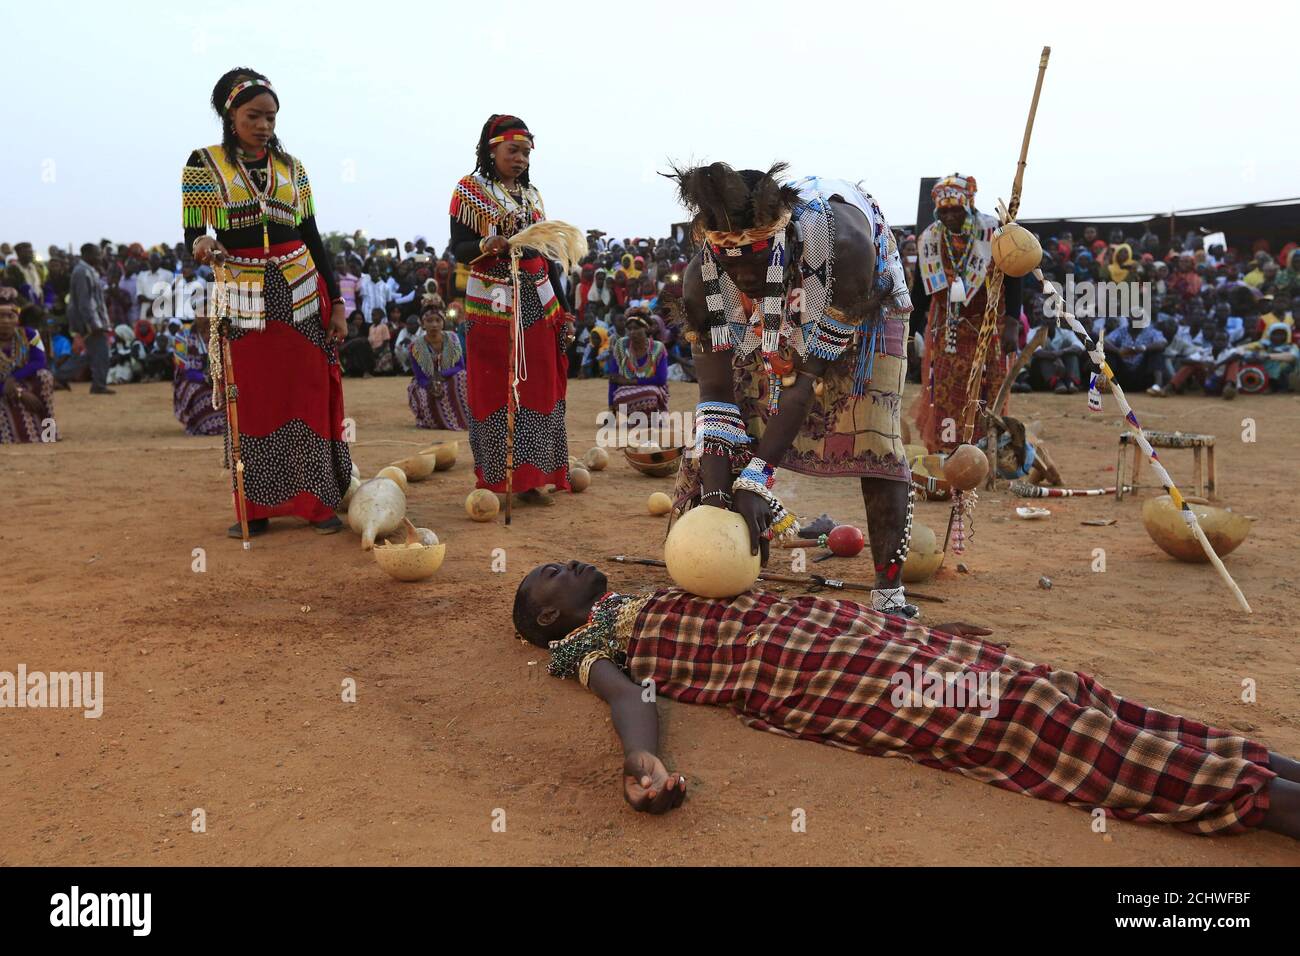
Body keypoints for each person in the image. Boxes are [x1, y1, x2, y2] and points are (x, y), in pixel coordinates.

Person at [512, 560, 1300, 838]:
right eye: (550, 571)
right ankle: (1265, 800)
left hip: (848, 634)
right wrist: (643, 754)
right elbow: (626, 699)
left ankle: (1265, 766)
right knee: (1018, 715)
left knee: (1045, 686)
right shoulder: (592, 646)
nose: (568, 561)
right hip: (817, 674)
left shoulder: (656, 583)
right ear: (553, 618)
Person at [673, 162, 917, 618]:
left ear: (780, 236)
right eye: (729, 259)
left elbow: (804, 381)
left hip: (862, 299)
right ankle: (740, 550)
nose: (742, 269)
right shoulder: (702, 280)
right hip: (766, 311)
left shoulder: (844, 249)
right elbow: (715, 395)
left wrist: (757, 478)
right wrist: (716, 500)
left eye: (756, 255)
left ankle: (889, 592)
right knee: (738, 419)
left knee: (873, 433)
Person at [182, 67, 352, 537]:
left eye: (271, 118)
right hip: (241, 292)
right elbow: (194, 233)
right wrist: (203, 246)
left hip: (300, 289)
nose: (263, 126)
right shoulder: (203, 163)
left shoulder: (292, 168)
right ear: (229, 114)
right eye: (253, 116)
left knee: (308, 394)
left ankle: (316, 502)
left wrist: (336, 301)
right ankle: (254, 508)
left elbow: (312, 236)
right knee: (252, 397)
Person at [448, 114, 573, 505]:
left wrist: (565, 309)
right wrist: (488, 245)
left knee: (539, 385)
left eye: (525, 152)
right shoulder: (469, 192)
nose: (519, 159)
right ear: (492, 149)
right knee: (497, 387)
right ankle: (499, 475)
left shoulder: (533, 195)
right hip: (493, 304)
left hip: (539, 299)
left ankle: (533, 477)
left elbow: (548, 255)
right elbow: (459, 248)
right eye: (512, 151)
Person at [910, 174, 1021, 452]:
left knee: (989, 390)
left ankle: (987, 449)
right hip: (946, 330)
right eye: (943, 211)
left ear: (968, 205)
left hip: (988, 327)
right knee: (946, 393)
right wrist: (912, 333)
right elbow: (922, 291)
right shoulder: (930, 240)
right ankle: (949, 450)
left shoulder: (994, 232)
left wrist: (1012, 323)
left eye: (955, 210)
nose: (949, 216)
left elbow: (1014, 276)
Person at [0, 289, 57, 443]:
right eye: (0, 316)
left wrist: (12, 378)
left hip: (17, 380)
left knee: (44, 376)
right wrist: (19, 393)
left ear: (17, 318)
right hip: (3, 388)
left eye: (10, 316)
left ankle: (49, 433)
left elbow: (40, 361)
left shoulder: (31, 334)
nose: (5, 321)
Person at [408, 295, 470, 431]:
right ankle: (437, 419)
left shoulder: (452, 338)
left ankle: (461, 418)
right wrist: (431, 384)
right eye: (429, 321)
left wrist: (440, 375)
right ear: (423, 324)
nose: (434, 324)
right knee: (425, 396)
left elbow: (460, 366)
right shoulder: (415, 347)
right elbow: (420, 377)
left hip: (447, 378)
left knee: (462, 377)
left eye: (437, 320)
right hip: (426, 382)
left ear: (443, 322)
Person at [66, 243, 113, 394]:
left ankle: (60, 377)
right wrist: (93, 323)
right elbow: (84, 301)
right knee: (100, 352)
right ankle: (98, 385)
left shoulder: (89, 270)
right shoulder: (82, 272)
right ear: (87, 254)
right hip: (88, 321)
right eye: (97, 254)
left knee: (90, 354)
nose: (100, 257)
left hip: (92, 320)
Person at [605, 311, 668, 416]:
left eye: (636, 328)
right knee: (620, 397)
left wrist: (629, 381)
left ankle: (651, 417)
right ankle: (636, 418)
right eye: (629, 329)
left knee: (650, 394)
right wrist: (611, 409)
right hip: (628, 391)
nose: (632, 332)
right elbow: (613, 378)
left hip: (653, 391)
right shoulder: (621, 346)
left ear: (646, 329)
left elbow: (661, 380)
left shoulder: (658, 348)